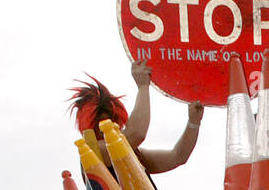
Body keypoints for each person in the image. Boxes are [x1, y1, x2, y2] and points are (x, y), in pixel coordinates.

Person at [69, 59, 204, 176]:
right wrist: (143, 87)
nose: (106, 127)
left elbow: (178, 156)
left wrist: (193, 122)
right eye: (100, 124)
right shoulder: (94, 152)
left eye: (111, 121)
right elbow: (136, 134)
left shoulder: (134, 154)